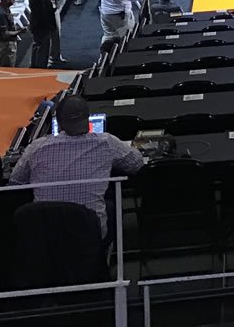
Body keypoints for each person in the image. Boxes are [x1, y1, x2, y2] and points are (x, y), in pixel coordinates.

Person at [11, 95, 145, 238]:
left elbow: (16, 181)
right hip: (89, 234)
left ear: (59, 123)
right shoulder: (107, 143)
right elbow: (137, 164)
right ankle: (107, 256)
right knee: (111, 206)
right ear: (88, 119)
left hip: (45, 236)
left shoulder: (36, 148)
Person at [27, 0, 58, 69]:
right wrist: (50, 26)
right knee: (43, 47)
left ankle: (34, 64)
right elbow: (43, 13)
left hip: (37, 25)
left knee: (37, 45)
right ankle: (41, 66)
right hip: (41, 27)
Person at [0, 0, 20, 67]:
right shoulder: (1, 14)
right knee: (8, 67)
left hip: (8, 45)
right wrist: (19, 32)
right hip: (6, 46)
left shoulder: (5, 8)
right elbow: (5, 34)